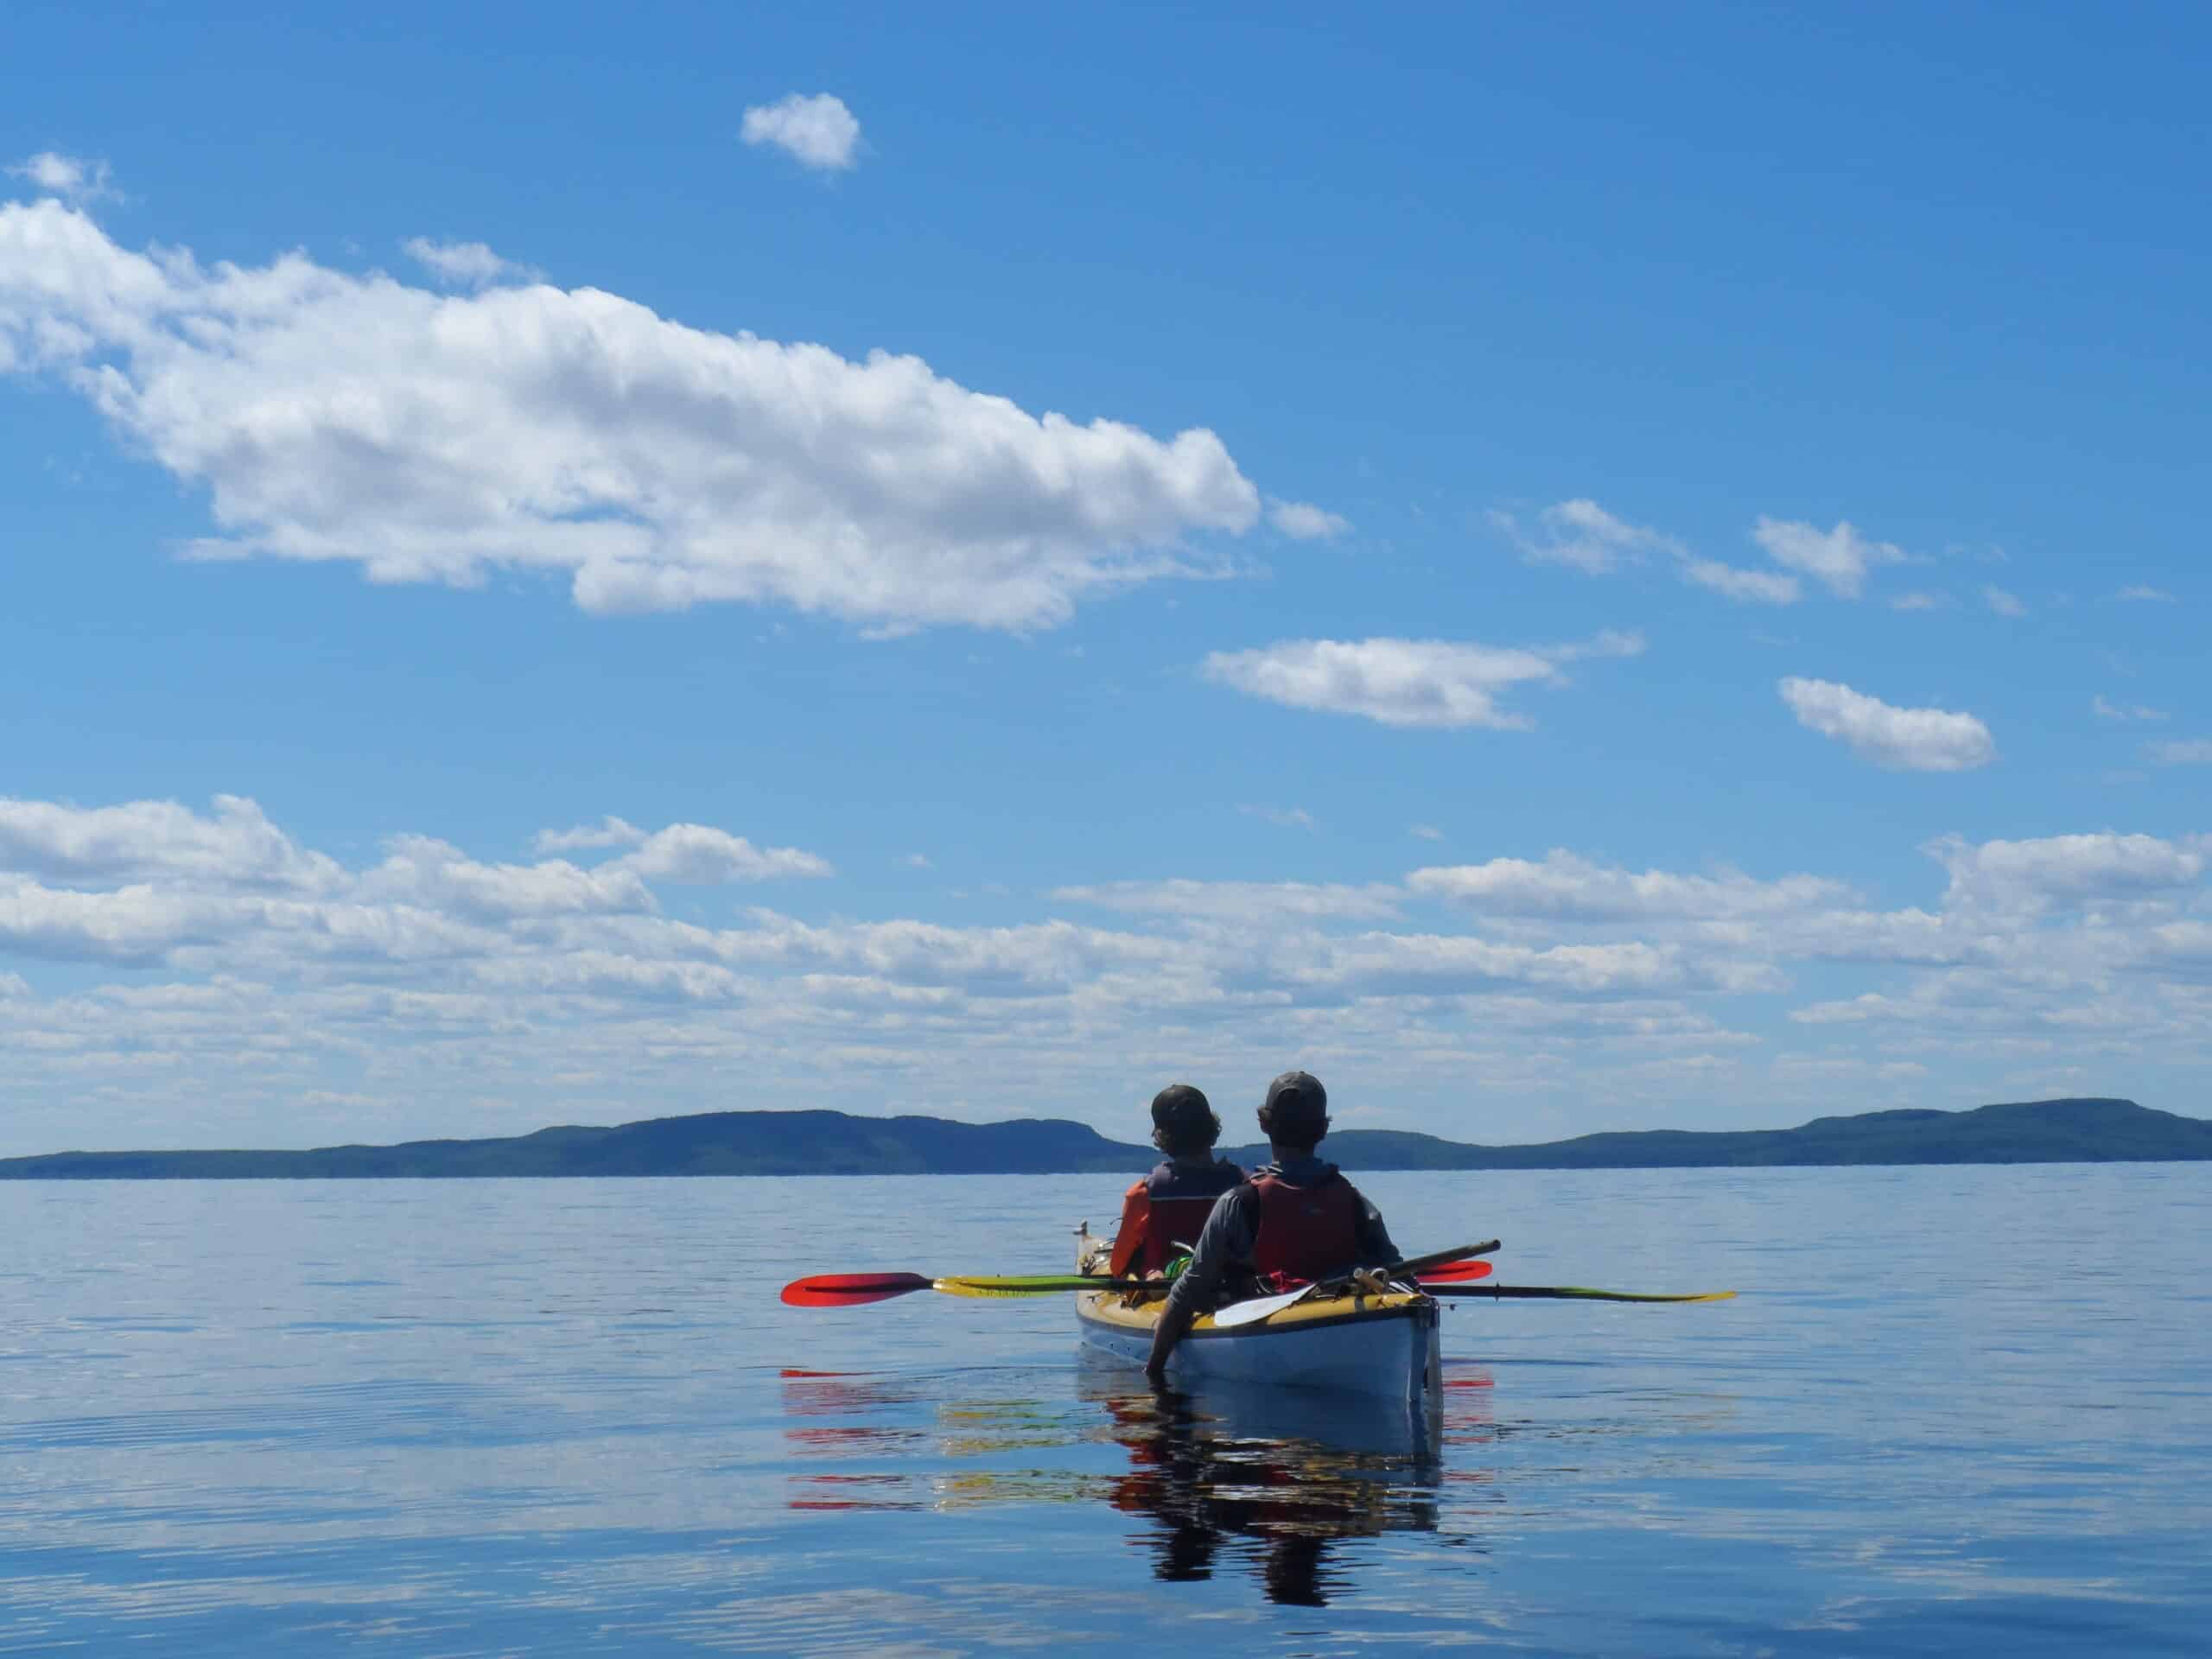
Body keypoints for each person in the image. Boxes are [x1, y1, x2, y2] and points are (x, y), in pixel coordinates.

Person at [1145, 1070, 1398, 1385]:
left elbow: (1190, 1287)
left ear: (1264, 1124)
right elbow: (1397, 1273)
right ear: (1323, 1129)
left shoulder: (1239, 1202)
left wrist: (1153, 1370)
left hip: (1269, 1321)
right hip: (1340, 1310)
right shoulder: (1354, 1200)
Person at [1109, 1084, 1245, 1279]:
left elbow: (1117, 1266)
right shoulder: (1245, 1184)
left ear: (1162, 1136)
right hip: (1230, 1284)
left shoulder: (1144, 1193)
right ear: (1212, 1129)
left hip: (1162, 1286)